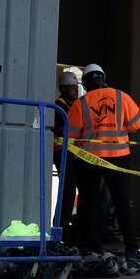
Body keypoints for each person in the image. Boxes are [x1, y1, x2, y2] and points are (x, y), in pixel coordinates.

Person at [65, 63, 140, 270]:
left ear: (86, 83)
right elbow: (137, 123)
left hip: (89, 159)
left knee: (87, 204)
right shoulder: (121, 97)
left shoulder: (81, 103)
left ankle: (89, 247)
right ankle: (132, 250)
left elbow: (71, 134)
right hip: (118, 156)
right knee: (122, 203)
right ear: (103, 78)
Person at [52, 69, 82, 246]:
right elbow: (59, 130)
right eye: (71, 88)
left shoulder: (75, 105)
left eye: (76, 87)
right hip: (62, 151)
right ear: (63, 89)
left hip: (75, 152)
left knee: (71, 190)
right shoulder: (59, 107)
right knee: (68, 190)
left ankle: (64, 223)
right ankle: (60, 225)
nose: (75, 90)